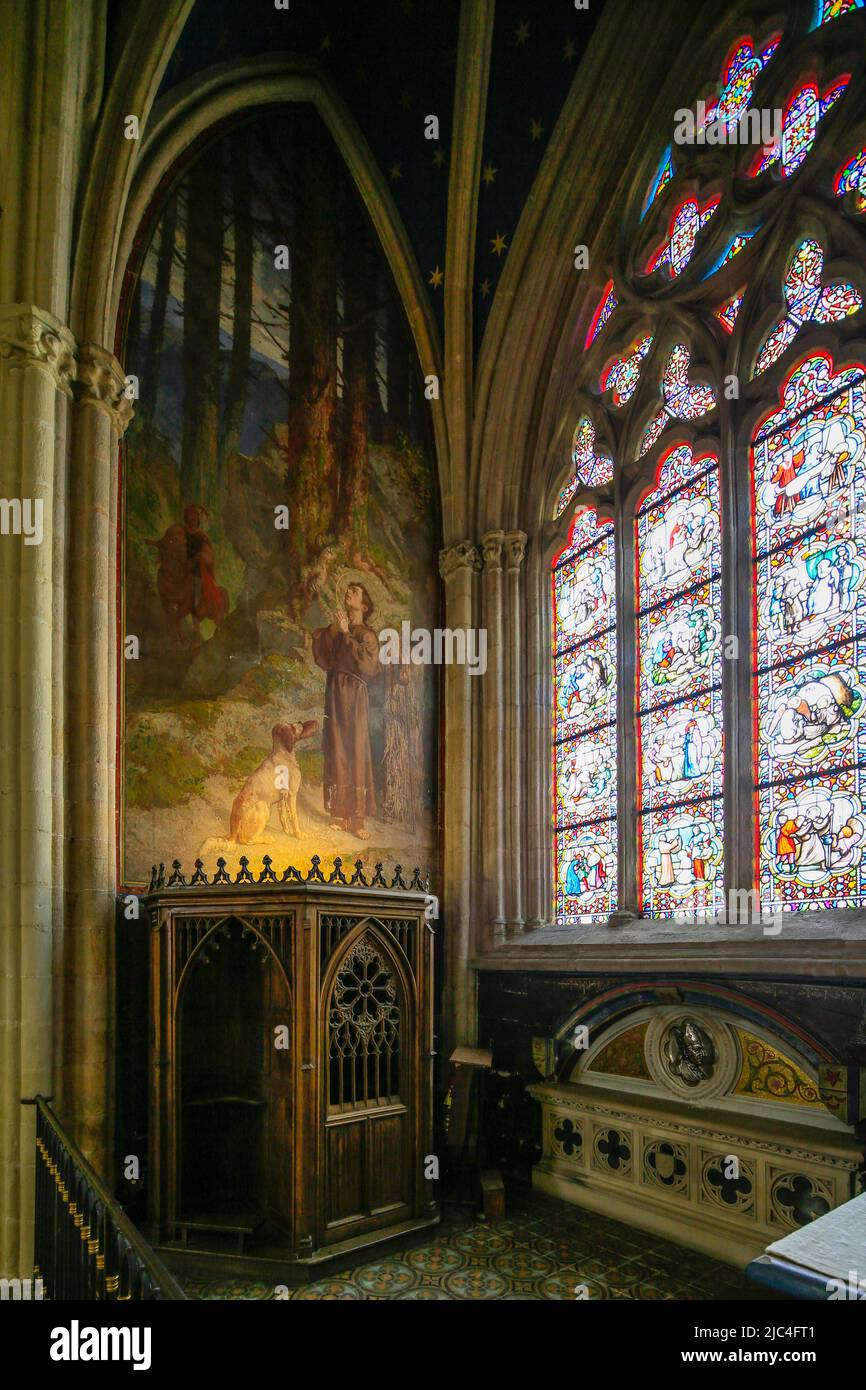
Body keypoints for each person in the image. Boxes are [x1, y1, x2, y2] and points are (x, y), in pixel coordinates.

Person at [312, 582, 380, 840]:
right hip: (336, 693)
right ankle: (340, 813)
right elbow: (324, 656)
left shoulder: (368, 635)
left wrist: (345, 634)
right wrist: (333, 633)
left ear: (364, 606)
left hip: (355, 694)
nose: (348, 591)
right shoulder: (338, 627)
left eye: (356, 591)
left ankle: (358, 817)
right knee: (337, 747)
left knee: (356, 749)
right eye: (347, 589)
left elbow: (368, 666)